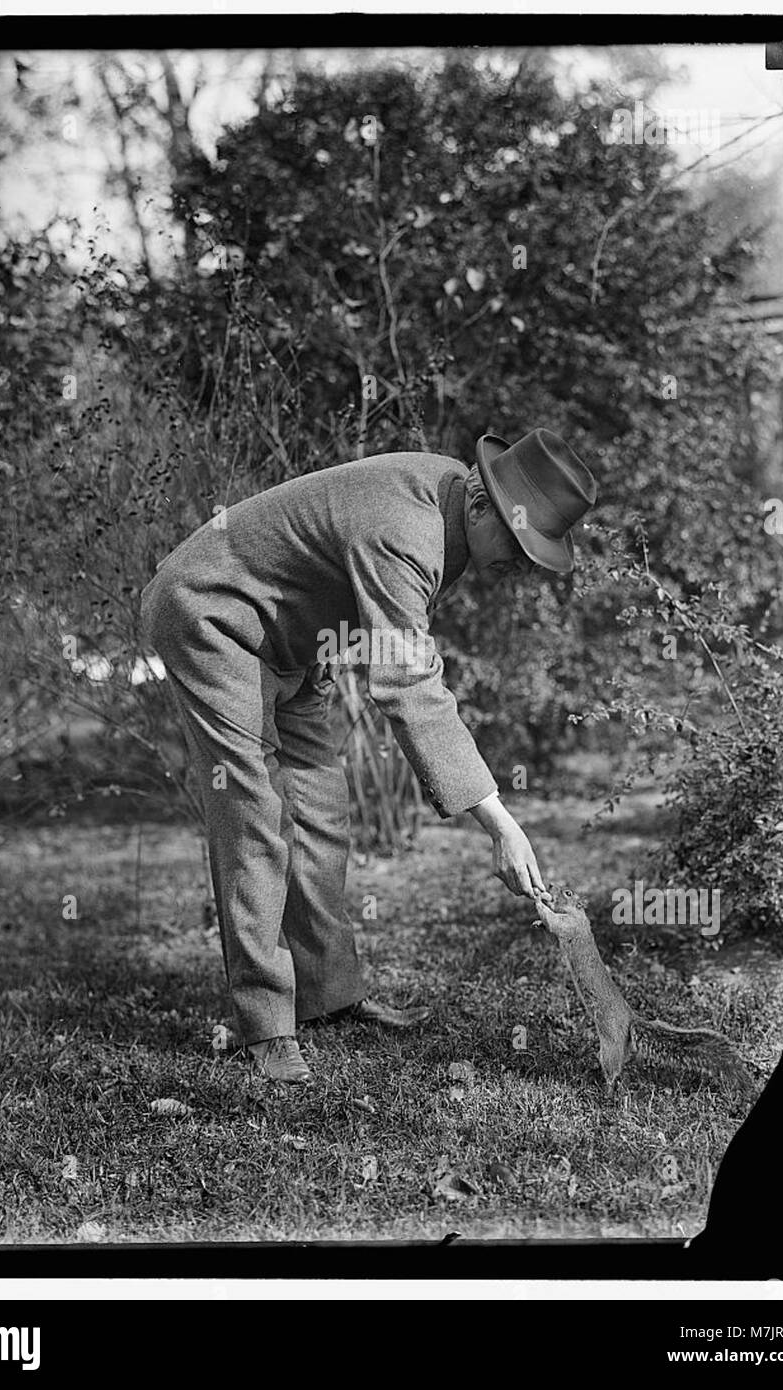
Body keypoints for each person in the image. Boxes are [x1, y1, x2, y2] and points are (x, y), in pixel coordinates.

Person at [140, 427, 597, 1082]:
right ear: (481, 505)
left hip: (295, 640)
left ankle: (327, 996)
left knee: (322, 812)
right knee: (254, 814)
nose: (520, 568)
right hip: (212, 615)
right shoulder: (404, 531)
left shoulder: (450, 496)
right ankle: (266, 1026)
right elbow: (409, 683)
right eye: (520, 546)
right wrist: (500, 825)